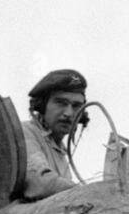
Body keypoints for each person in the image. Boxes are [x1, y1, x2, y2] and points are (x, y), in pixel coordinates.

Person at [22, 68, 87, 198]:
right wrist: (89, 194)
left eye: (76, 106)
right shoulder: (25, 133)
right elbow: (41, 183)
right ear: (42, 106)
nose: (68, 113)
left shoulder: (60, 151)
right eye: (61, 103)